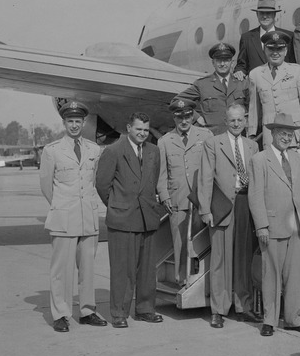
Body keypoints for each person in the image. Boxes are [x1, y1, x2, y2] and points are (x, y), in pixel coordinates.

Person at [39, 101, 106, 332]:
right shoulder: (52, 150)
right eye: (70, 121)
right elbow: (47, 186)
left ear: (83, 122)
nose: (75, 125)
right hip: (63, 219)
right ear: (64, 122)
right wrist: (62, 207)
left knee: (88, 268)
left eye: (78, 121)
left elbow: (95, 180)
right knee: (62, 270)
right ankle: (61, 313)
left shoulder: (94, 150)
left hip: (88, 217)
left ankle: (87, 310)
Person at [248, 114, 300, 337]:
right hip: (272, 225)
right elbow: (255, 195)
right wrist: (261, 226)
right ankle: (269, 320)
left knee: (295, 275)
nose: (286, 137)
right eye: (282, 133)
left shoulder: (297, 159)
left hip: (296, 224)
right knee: (271, 275)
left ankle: (294, 319)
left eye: (290, 134)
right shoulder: (260, 159)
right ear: (272, 134)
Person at [95, 111, 164, 328]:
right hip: (123, 219)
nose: (143, 133)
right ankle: (119, 313)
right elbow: (102, 185)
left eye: (145, 129)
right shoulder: (113, 151)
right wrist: (118, 206)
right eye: (138, 129)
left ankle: (145, 309)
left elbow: (152, 180)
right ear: (128, 128)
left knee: (146, 270)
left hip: (147, 217)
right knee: (122, 270)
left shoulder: (154, 151)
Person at [197, 103, 260, 328]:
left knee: (244, 259)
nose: (236, 124)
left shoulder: (252, 145)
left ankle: (244, 306)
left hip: (246, 204)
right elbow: (205, 177)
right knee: (220, 260)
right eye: (232, 120)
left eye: (240, 120)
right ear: (226, 121)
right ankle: (219, 309)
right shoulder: (213, 143)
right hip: (222, 206)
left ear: (245, 120)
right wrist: (205, 209)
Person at [157, 98, 213, 287]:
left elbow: (212, 167)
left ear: (192, 116)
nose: (184, 121)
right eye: (179, 117)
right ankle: (182, 279)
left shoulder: (205, 136)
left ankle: (201, 279)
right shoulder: (164, 141)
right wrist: (164, 196)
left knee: (202, 241)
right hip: (177, 199)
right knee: (180, 241)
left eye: (188, 116)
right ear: (174, 118)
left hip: (201, 199)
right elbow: (162, 174)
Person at [247, 30, 300, 148]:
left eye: (279, 49)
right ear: (265, 50)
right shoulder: (255, 74)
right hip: (270, 137)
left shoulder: (297, 71)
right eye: (271, 49)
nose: (275, 53)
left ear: (286, 51)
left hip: (294, 135)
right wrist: (251, 134)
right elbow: (254, 109)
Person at [177, 42, 249, 134]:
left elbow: (252, 109)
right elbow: (178, 100)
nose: (222, 64)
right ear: (213, 63)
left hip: (237, 137)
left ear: (232, 62)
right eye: (218, 60)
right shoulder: (202, 84)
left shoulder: (242, 83)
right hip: (212, 137)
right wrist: (196, 117)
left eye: (226, 60)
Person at [234, 0, 295, 78]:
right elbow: (241, 65)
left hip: (282, 84)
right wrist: (239, 71)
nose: (265, 16)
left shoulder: (288, 36)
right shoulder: (247, 38)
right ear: (257, 15)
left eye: (268, 13)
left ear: (274, 15)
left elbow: (293, 63)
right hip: (257, 85)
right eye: (262, 13)